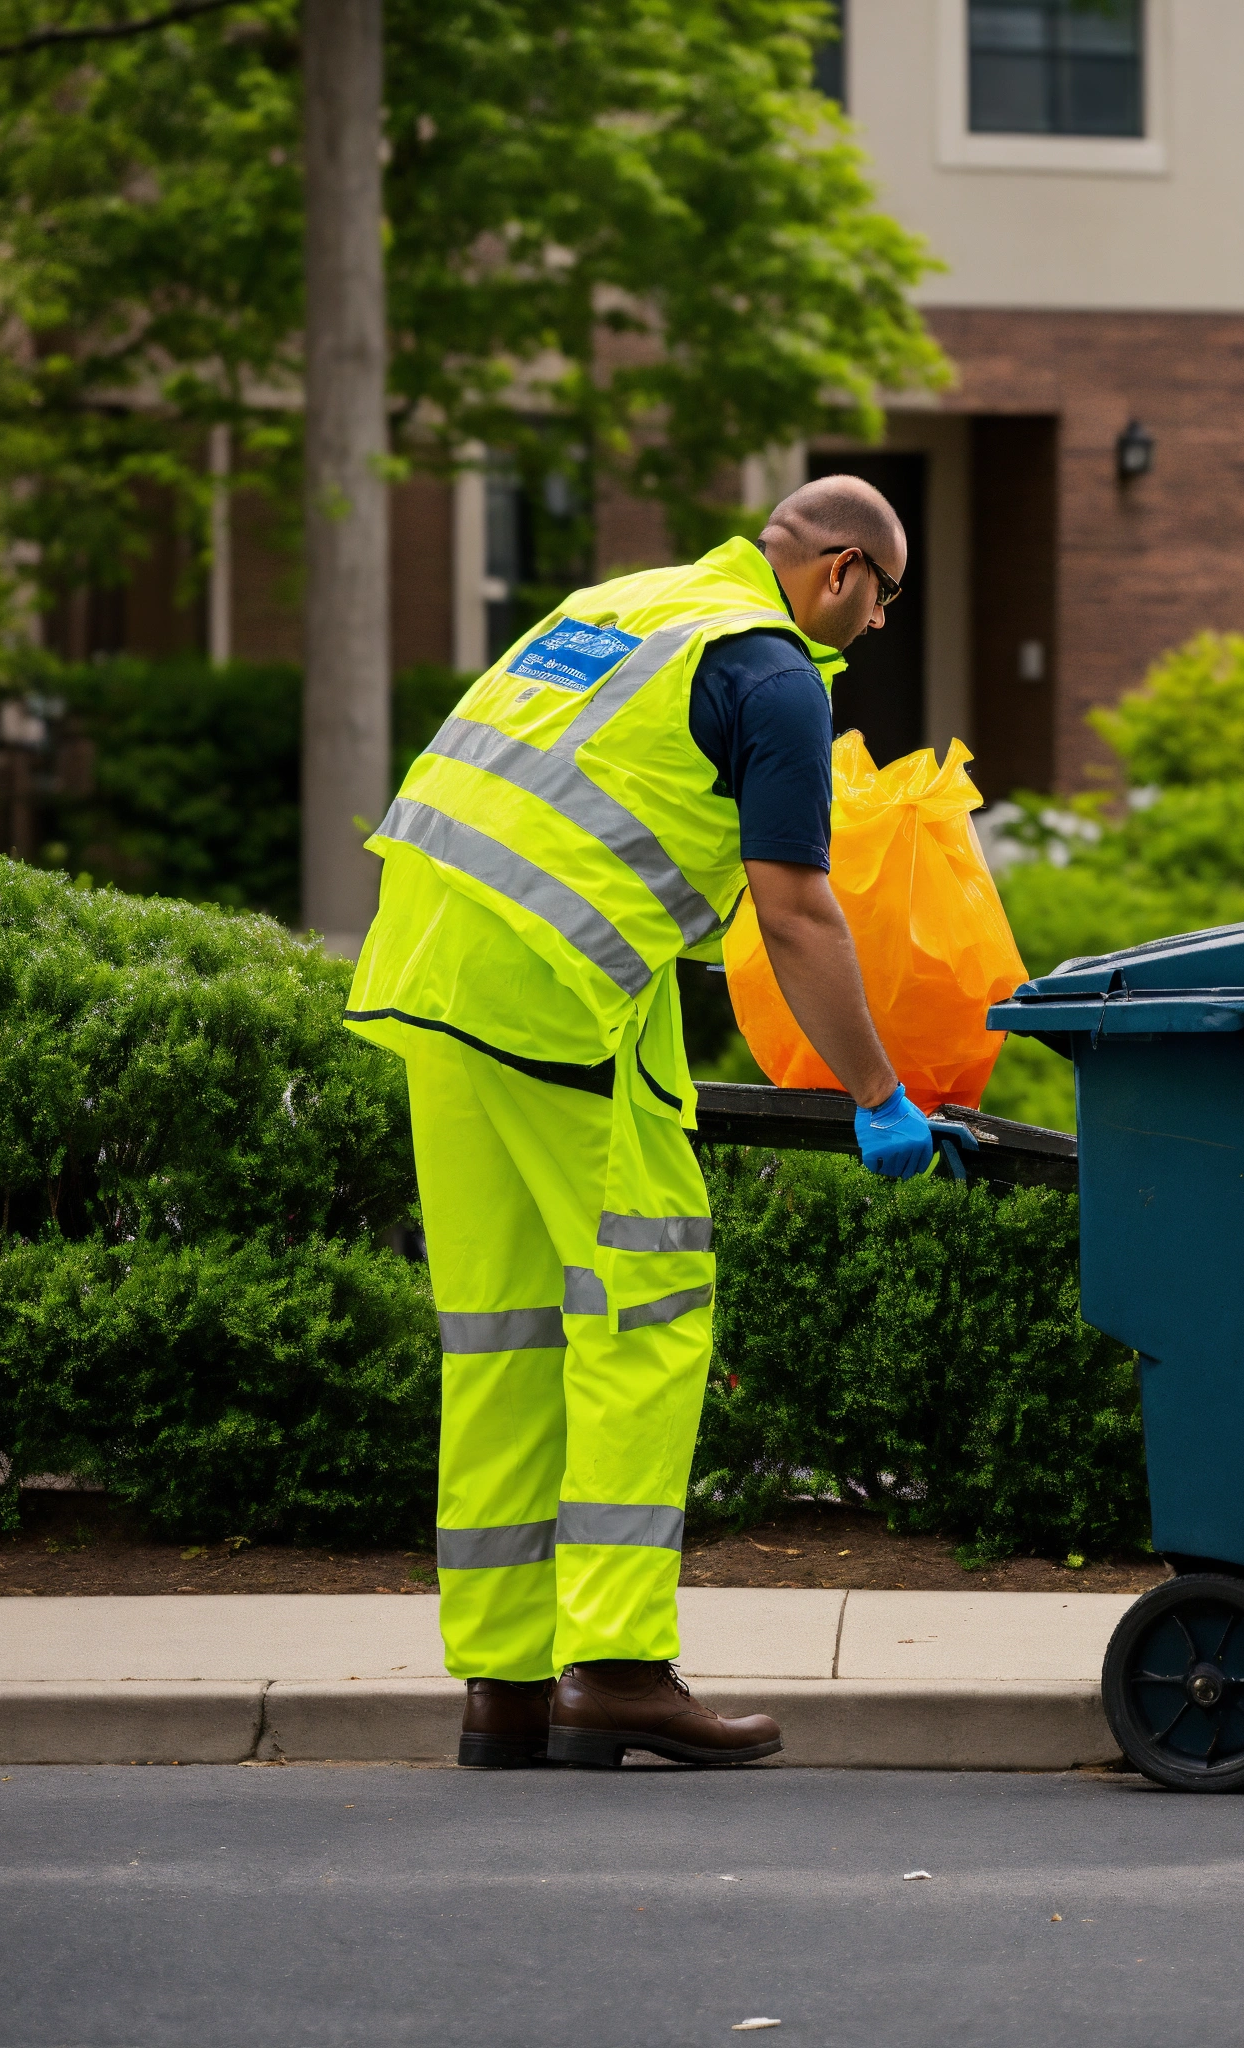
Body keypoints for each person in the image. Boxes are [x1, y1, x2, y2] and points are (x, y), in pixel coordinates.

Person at [342, 474, 933, 1769]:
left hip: (430, 970)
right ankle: (611, 1666)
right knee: (645, 1317)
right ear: (840, 570)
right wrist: (880, 1093)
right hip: (554, 994)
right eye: (882, 601)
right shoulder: (774, 675)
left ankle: (501, 1686)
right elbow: (795, 912)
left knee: (502, 1336)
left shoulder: (617, 607)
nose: (877, 628)